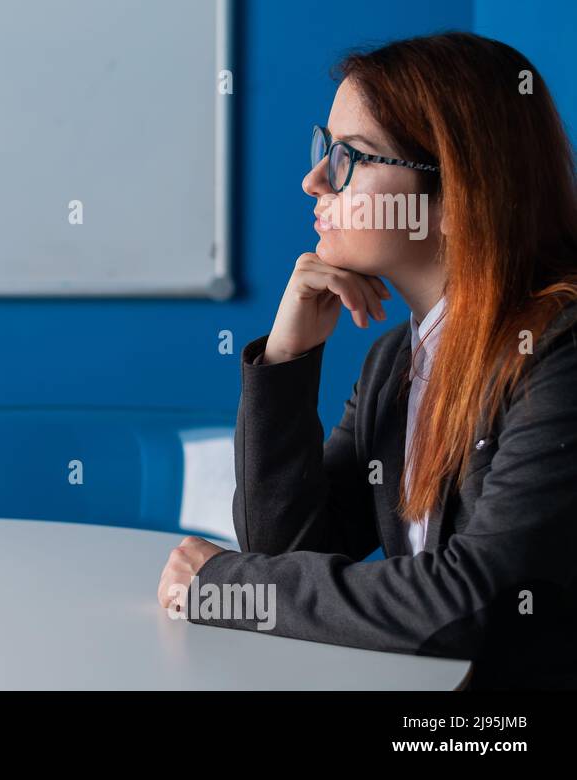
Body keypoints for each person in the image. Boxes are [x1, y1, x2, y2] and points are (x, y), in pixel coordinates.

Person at [156, 32, 577, 689]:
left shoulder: (559, 355)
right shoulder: (396, 361)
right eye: (325, 148)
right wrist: (288, 358)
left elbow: (477, 601)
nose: (314, 180)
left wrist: (225, 588)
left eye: (348, 157)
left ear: (455, 198)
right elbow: (289, 547)